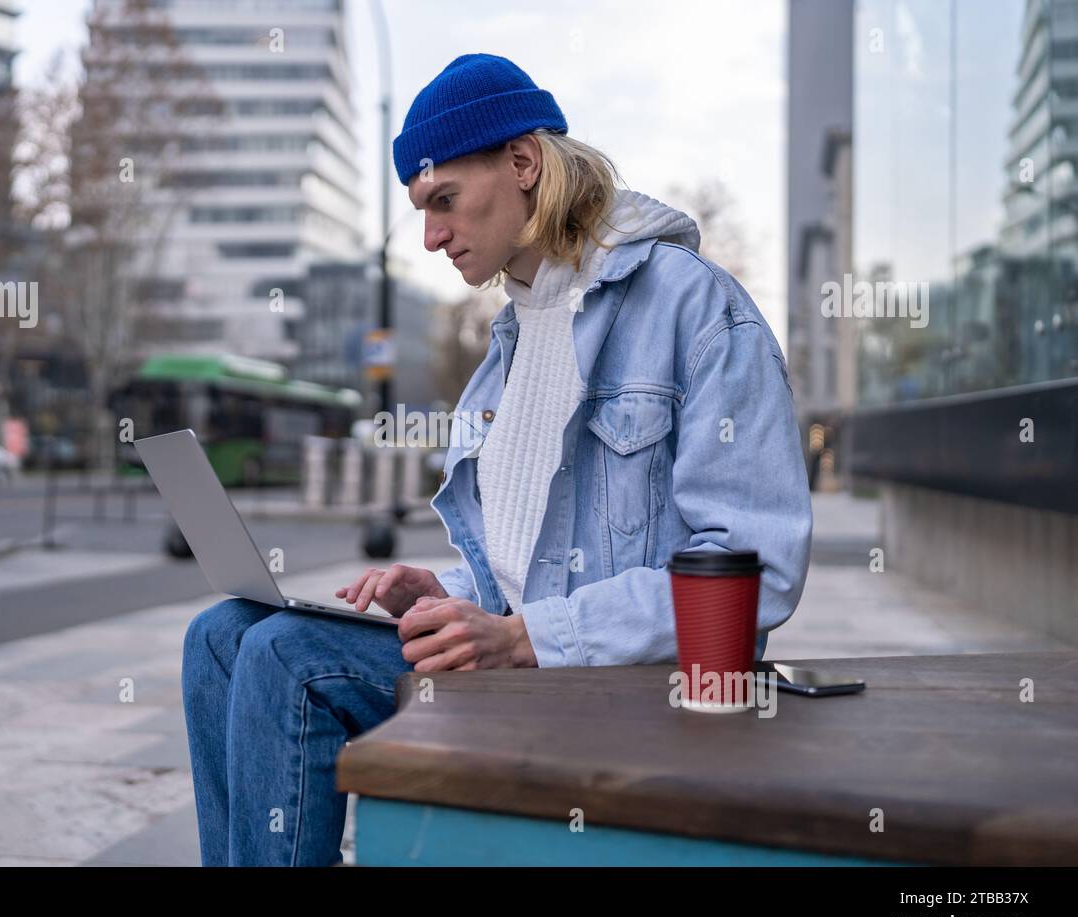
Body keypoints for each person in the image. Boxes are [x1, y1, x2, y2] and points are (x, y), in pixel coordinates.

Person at [182, 52, 812, 866]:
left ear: (524, 163)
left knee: (289, 657)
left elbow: (753, 571)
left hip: (630, 688)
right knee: (222, 634)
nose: (430, 235)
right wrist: (445, 590)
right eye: (419, 208)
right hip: (532, 669)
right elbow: (529, 569)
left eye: (444, 201)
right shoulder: (505, 350)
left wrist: (523, 640)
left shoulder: (694, 307)